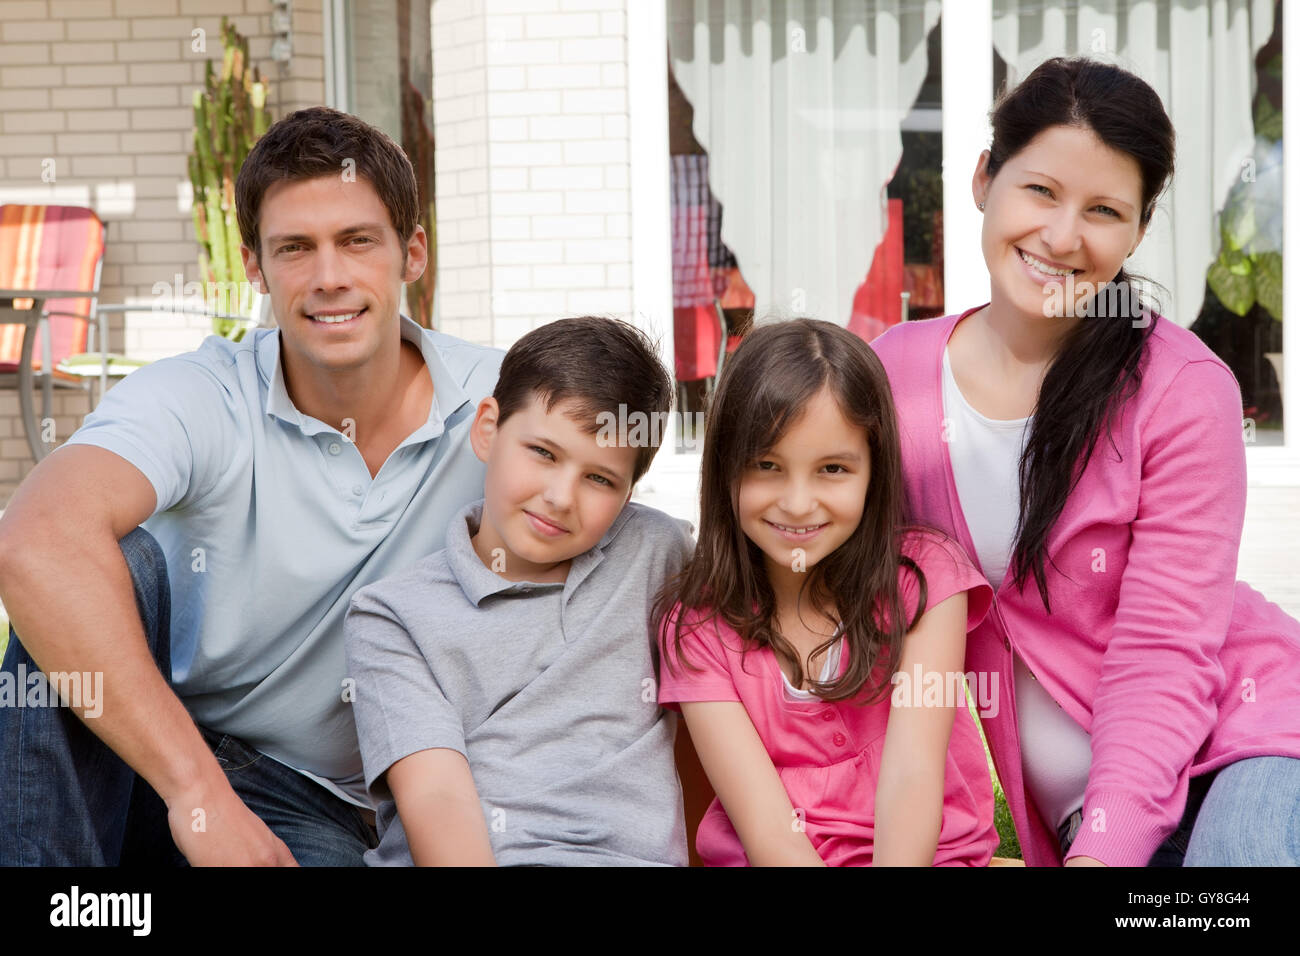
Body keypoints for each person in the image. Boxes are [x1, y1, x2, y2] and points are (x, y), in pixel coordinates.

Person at [0, 107, 503, 866]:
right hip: (161, 760)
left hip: (340, 801)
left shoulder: (501, 405)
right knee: (104, 561)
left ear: (413, 252)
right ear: (255, 268)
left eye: (357, 241)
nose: (329, 276)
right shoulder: (204, 394)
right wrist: (198, 791)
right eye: (295, 248)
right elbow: (34, 540)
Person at [870, 56, 1300, 867]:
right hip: (1091, 823)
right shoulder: (894, 376)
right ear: (982, 180)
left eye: (1103, 210)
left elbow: (1164, 650)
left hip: (1249, 749)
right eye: (1039, 191)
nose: (1063, 237)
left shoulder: (1179, 388)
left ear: (1138, 231)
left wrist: (1102, 856)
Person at [345, 316, 693, 866]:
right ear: (488, 429)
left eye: (600, 479)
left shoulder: (658, 553)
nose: (560, 496)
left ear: (630, 491)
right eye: (543, 453)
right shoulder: (393, 616)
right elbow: (437, 800)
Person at [654, 318, 1000, 866]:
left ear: (874, 469)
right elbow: (769, 830)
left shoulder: (923, 582)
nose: (797, 503)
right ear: (725, 470)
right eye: (767, 466)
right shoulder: (698, 629)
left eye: (832, 469)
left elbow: (913, 778)